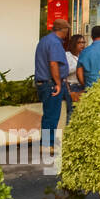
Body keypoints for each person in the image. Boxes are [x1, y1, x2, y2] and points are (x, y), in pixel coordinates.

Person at [35, 18, 72, 151]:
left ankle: (45, 142)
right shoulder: (55, 43)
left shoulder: (44, 40)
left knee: (48, 114)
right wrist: (58, 83)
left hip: (43, 83)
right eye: (67, 30)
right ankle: (47, 144)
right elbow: (53, 64)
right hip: (51, 83)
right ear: (63, 30)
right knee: (52, 114)